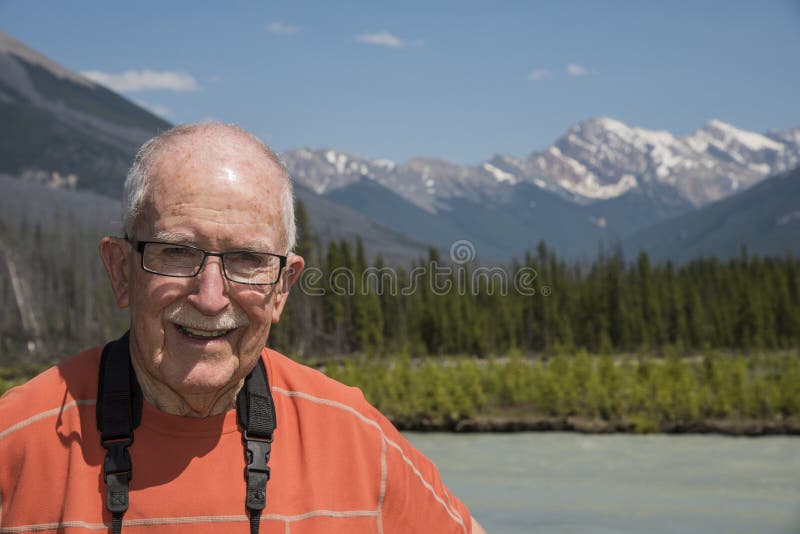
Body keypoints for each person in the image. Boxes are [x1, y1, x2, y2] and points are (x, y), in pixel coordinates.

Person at [0, 122, 486, 534]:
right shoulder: (14, 443)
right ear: (121, 271)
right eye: (177, 252)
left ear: (282, 288)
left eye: (248, 259)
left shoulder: (360, 443)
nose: (211, 298)